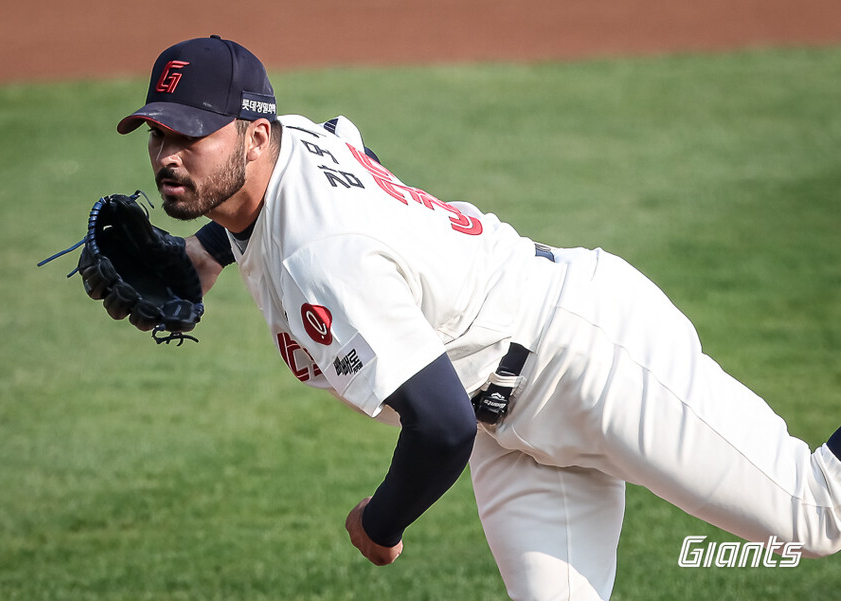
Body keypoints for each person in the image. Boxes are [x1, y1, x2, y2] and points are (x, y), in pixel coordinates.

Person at [108, 35, 841, 600]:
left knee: (815, 513)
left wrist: (381, 522)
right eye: (159, 134)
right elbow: (343, 133)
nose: (169, 156)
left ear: (254, 137)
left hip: (585, 354)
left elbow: (441, 425)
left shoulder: (318, 256)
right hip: (511, 427)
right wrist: (205, 258)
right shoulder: (291, 140)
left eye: (190, 136)